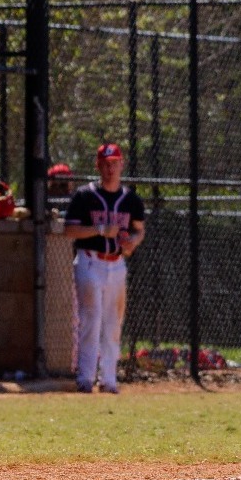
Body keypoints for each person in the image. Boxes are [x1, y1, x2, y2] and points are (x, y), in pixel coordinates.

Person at [62, 143, 147, 394]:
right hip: (90, 260)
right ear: (98, 166)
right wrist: (99, 230)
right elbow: (69, 230)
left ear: (121, 164)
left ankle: (109, 379)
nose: (110, 169)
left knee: (113, 322)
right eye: (105, 164)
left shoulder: (130, 199)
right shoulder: (84, 195)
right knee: (91, 318)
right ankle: (86, 377)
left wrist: (133, 241)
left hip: (116, 264)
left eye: (114, 163)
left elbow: (139, 229)